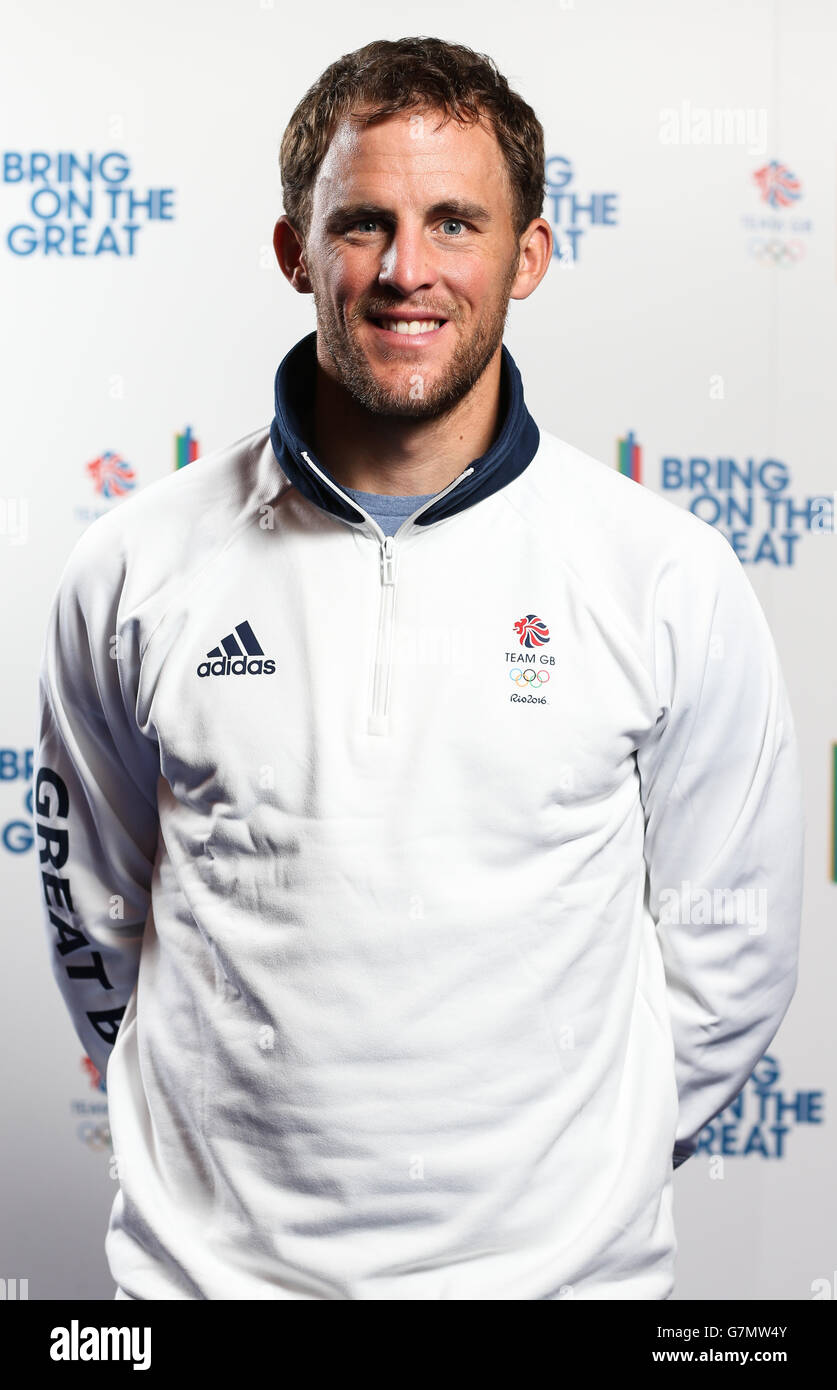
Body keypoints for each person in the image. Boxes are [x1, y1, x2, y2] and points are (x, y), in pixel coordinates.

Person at [33, 35, 804, 1301]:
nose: (407, 271)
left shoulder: (664, 575)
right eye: (363, 224)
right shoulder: (133, 568)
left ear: (529, 254)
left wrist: (585, 1187)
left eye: (455, 222)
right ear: (295, 250)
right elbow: (98, 925)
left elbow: (737, 950)